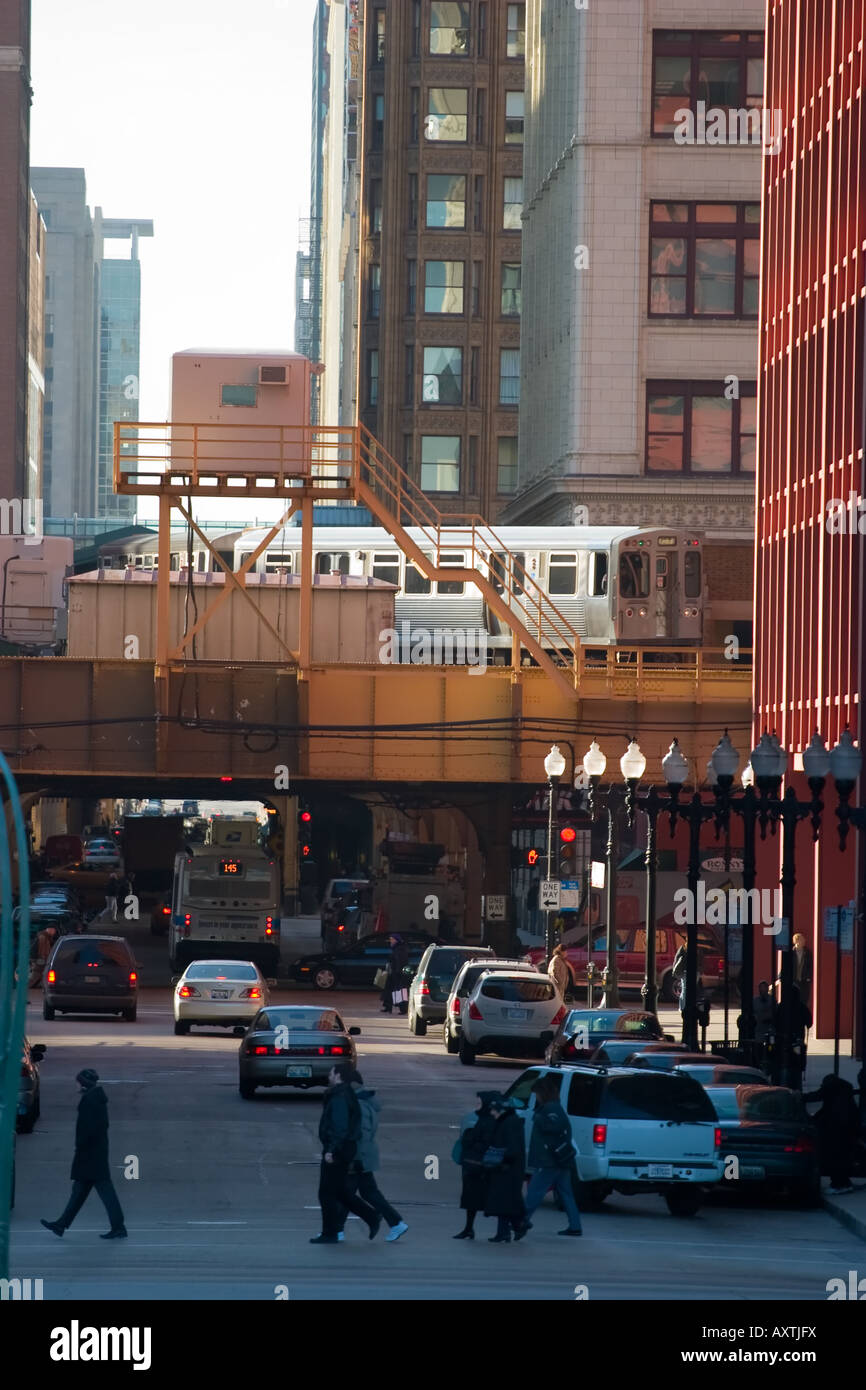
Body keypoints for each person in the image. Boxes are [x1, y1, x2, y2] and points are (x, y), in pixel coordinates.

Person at [41, 1069, 127, 1239]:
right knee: (80, 1191)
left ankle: (118, 1227)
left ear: (84, 1084)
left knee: (102, 1191)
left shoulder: (89, 1101)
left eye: (78, 1082)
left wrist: (81, 1146)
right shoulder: (95, 1099)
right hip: (94, 1153)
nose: (76, 1084)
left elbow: (88, 1129)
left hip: (90, 1155)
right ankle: (61, 1224)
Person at [334, 1071, 408, 1243]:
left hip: (358, 1157)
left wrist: (355, 1158)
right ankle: (396, 1222)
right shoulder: (363, 1102)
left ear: (351, 1084)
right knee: (368, 1193)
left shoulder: (359, 1105)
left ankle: (336, 1230)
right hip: (363, 1156)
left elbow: (361, 1135)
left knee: (346, 1194)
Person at [311, 1062, 380, 1245]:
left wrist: (332, 1150)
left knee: (326, 1193)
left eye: (331, 1073)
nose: (329, 1076)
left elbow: (340, 1126)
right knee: (339, 1191)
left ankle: (330, 1233)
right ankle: (371, 1216)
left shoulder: (340, 1097)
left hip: (339, 1150)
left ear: (338, 1075)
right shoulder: (343, 1094)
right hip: (344, 1148)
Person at [523, 1074, 582, 1236]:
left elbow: (553, 1128)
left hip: (549, 1161)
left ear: (543, 1093)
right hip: (561, 1159)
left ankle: (521, 1221)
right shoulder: (555, 1108)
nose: (536, 1098)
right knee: (566, 1193)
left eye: (537, 1094)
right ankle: (575, 1225)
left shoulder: (550, 1110)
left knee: (535, 1192)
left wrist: (538, 1118)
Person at [804, 1073, 860, 1195]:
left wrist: (798, 1096)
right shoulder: (845, 1093)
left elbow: (817, 1097)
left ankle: (839, 1184)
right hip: (847, 1131)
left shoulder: (831, 1088)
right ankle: (843, 1182)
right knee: (843, 1158)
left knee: (835, 1158)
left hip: (836, 1131)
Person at [454, 1091, 499, 1239]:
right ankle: (469, 1228)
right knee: (472, 1200)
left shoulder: (489, 1121)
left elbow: (485, 1142)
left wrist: (470, 1141)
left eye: (479, 1103)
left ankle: (513, 1226)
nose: (477, 1106)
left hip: (480, 1166)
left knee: (489, 1199)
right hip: (475, 1166)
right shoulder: (483, 1119)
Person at [483, 1095, 528, 1243]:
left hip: (508, 1168)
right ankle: (513, 1228)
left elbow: (512, 1147)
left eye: (494, 1110)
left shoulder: (509, 1123)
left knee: (504, 1201)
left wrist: (503, 1160)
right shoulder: (508, 1121)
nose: (492, 1113)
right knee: (506, 1201)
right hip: (507, 1168)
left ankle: (511, 1229)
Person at [381, 933, 409, 1015]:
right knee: (389, 990)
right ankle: (388, 1007)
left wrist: (398, 972)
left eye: (392, 939)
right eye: (390, 939)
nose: (391, 941)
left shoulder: (400, 949)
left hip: (398, 974)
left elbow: (400, 962)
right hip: (394, 973)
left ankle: (403, 1009)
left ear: (396, 940)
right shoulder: (396, 949)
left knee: (400, 991)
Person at [792, 932, 814, 1008]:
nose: (804, 941)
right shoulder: (791, 952)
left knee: (804, 1000)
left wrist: (809, 977)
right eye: (802, 940)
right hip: (793, 980)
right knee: (793, 1000)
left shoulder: (807, 953)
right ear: (797, 941)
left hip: (804, 981)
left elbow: (810, 966)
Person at [672, 942, 688, 1041]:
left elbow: (676, 959)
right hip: (687, 972)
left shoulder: (683, 949)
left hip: (686, 972)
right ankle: (683, 1007)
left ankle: (683, 1007)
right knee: (685, 990)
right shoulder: (684, 949)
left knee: (685, 990)